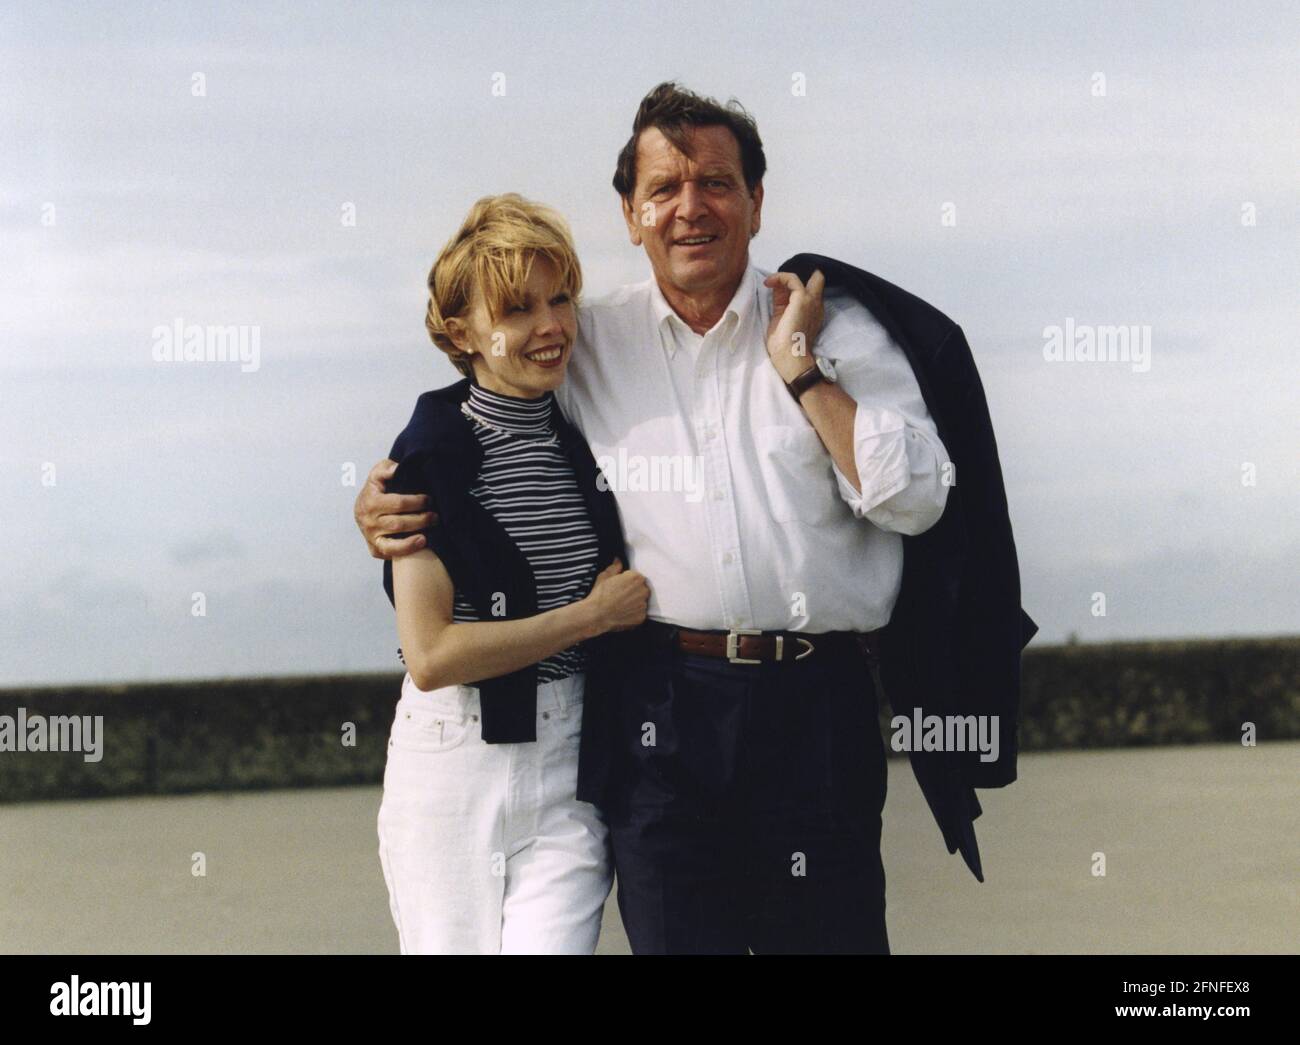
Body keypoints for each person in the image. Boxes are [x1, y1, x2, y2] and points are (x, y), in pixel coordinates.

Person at [357, 82, 1035, 954]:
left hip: (815, 704)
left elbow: (917, 500)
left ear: (756, 201)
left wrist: (800, 371)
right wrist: (386, 497)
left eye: (716, 182)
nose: (691, 208)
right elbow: (482, 404)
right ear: (631, 214)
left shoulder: (840, 330)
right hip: (660, 710)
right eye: (664, 189)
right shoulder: (587, 337)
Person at [374, 192, 650, 954]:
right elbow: (432, 656)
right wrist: (590, 617)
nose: (552, 326)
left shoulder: (585, 433)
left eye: (561, 298)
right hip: (453, 767)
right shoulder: (428, 460)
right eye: (520, 309)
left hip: (571, 765)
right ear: (461, 332)